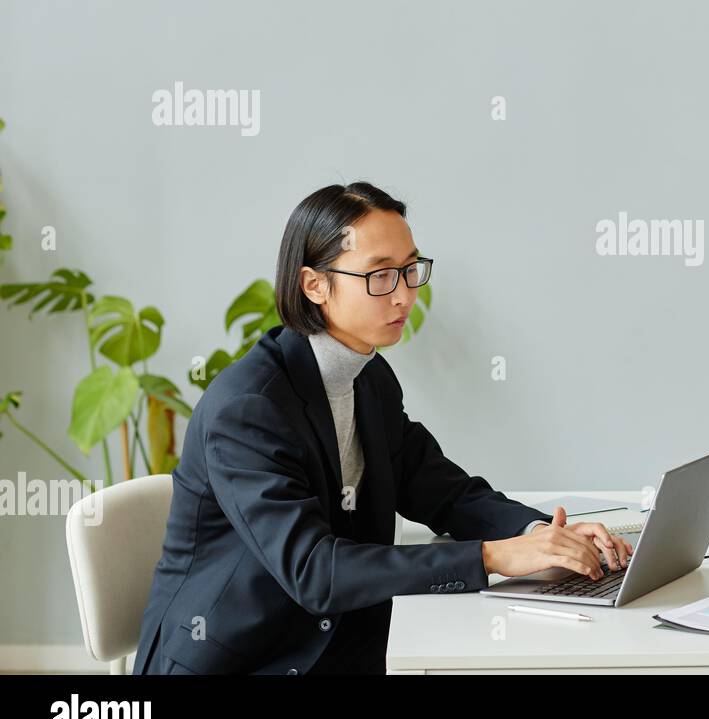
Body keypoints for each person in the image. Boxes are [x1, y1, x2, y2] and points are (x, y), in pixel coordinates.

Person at [135, 181, 632, 674]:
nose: (404, 295)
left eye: (410, 270)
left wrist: (542, 534)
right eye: (380, 276)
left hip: (339, 651)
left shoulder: (369, 378)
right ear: (314, 285)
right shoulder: (248, 409)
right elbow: (313, 569)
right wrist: (493, 557)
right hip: (244, 662)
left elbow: (444, 492)